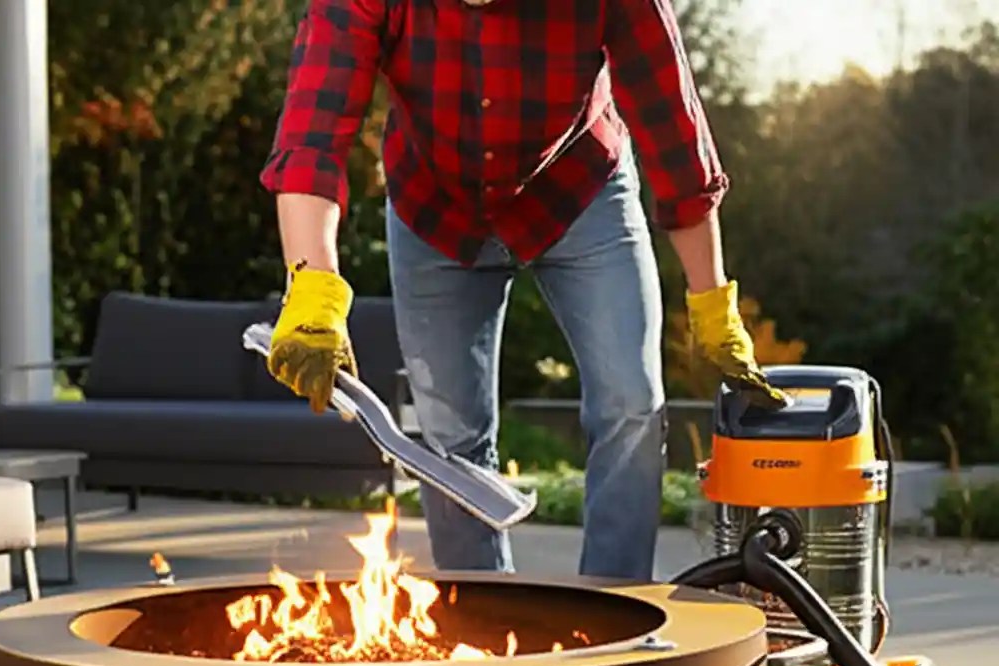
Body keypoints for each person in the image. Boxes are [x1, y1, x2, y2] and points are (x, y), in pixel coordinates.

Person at [259, 0, 788, 582]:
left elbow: (674, 136)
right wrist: (311, 288)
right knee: (449, 438)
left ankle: (617, 606)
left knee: (631, 402)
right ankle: (485, 619)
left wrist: (712, 301)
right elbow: (313, 135)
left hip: (580, 191)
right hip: (435, 208)